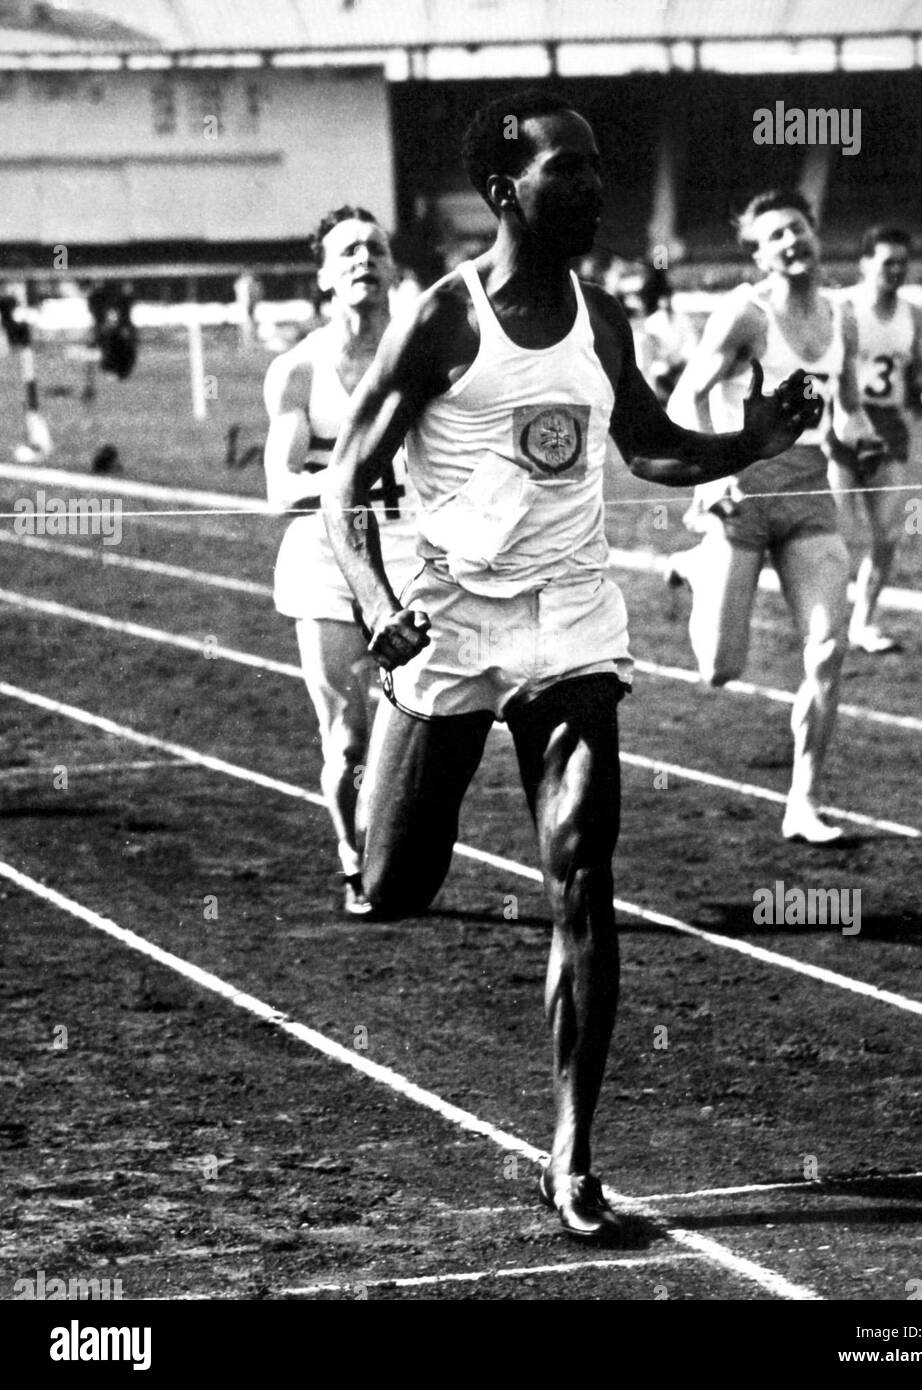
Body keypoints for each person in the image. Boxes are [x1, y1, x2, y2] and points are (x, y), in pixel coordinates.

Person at [321, 93, 820, 1240]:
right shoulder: (444, 321)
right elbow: (348, 480)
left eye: (600, 169)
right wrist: (381, 605)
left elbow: (645, 442)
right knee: (397, 882)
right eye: (569, 171)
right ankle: (370, 795)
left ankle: (572, 1155)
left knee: (583, 870)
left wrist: (760, 438)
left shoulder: (602, 316)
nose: (594, 187)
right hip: (447, 625)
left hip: (571, 625)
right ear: (507, 190)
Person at [663, 189, 883, 844]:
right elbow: (684, 395)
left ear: (815, 233)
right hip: (742, 494)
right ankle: (698, 565)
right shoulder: (744, 313)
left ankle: (803, 801)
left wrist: (860, 436)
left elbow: (846, 405)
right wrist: (710, 478)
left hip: (809, 495)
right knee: (718, 669)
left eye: (796, 229)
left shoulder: (841, 315)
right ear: (758, 254)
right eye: (774, 237)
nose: (790, 242)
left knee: (827, 648)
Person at [263, 206, 420, 916]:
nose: (363, 258)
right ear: (325, 275)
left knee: (416, 729)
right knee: (349, 740)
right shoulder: (299, 370)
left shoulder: (427, 353)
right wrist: (343, 484)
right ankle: (355, 859)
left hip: (413, 561)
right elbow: (278, 489)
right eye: (347, 250)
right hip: (326, 567)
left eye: (375, 247)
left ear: (393, 266)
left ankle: (395, 851)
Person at [826, 227, 922, 653]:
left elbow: (916, 369)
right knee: (834, 534)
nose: (896, 270)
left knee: (886, 536)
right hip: (845, 424)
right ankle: (826, 621)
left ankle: (863, 624)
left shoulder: (916, 313)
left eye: (902, 262)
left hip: (887, 427)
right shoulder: (842, 306)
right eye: (888, 261)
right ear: (866, 263)